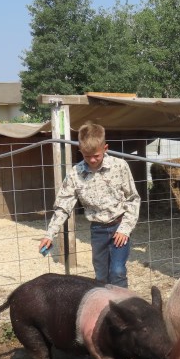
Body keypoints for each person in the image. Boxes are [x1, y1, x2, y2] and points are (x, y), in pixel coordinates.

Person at [39, 122, 140, 287]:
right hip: (97, 230)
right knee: (100, 275)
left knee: (117, 272)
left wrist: (125, 229)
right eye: (87, 156)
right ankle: (103, 309)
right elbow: (63, 206)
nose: (92, 160)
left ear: (105, 148)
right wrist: (50, 234)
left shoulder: (120, 166)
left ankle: (123, 308)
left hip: (119, 227)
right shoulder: (75, 174)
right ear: (80, 151)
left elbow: (133, 199)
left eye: (96, 155)